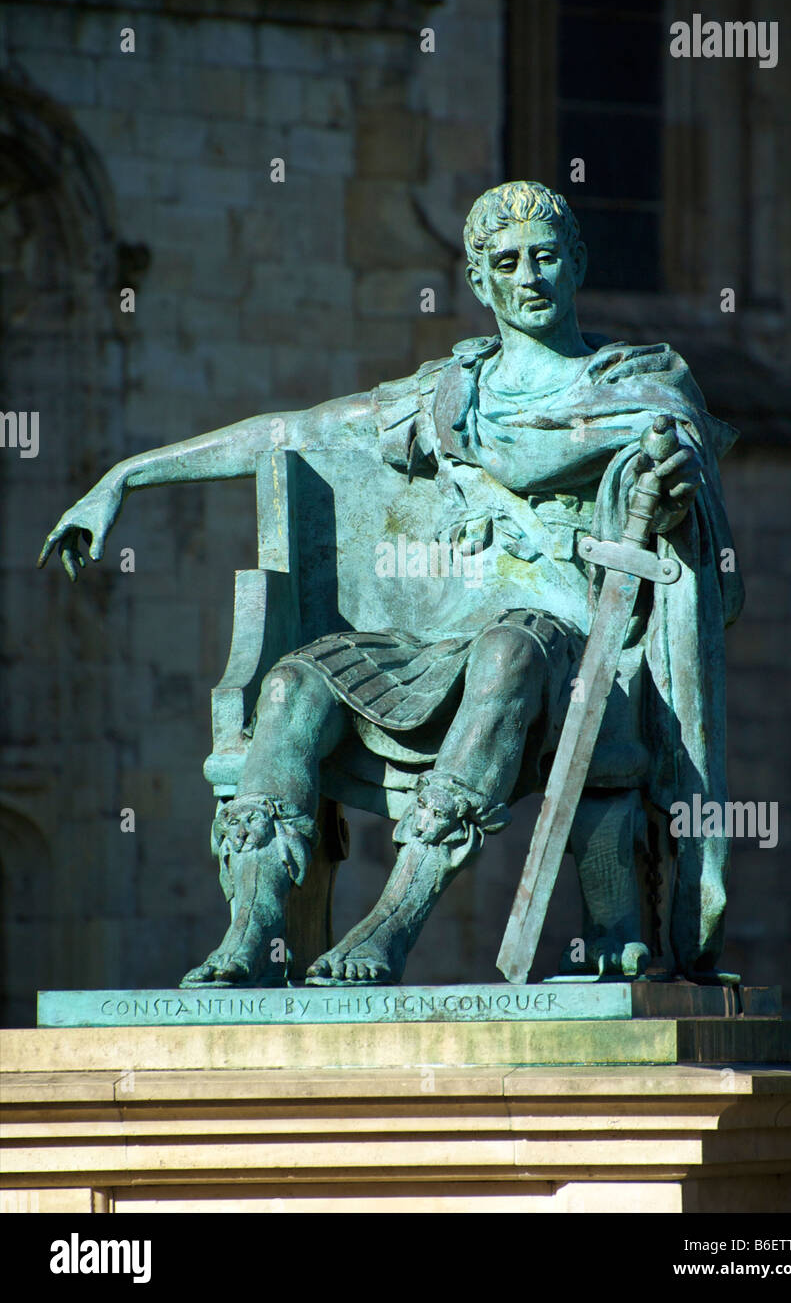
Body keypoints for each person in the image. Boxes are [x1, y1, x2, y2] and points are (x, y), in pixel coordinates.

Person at [40, 181, 743, 987]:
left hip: (566, 646)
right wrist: (125, 477)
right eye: (506, 262)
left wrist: (671, 481)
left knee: (509, 652)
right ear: (479, 282)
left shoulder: (635, 386)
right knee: (293, 686)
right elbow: (289, 432)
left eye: (546, 257)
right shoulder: (448, 397)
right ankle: (252, 930)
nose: (529, 277)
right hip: (444, 638)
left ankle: (394, 921)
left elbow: (684, 505)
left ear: (577, 263)